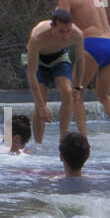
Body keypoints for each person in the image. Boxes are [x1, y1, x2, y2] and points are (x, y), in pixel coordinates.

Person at [52, 0, 110, 149]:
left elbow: (63, 22)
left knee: (76, 94)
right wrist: (108, 12)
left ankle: (84, 140)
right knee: (104, 95)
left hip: (92, 45)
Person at [24, 8, 85, 145]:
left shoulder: (77, 35)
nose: (65, 36)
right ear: (53, 27)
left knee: (67, 92)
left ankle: (63, 141)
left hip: (58, 56)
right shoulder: (37, 37)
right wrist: (41, 106)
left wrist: (78, 87)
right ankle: (38, 144)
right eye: (61, 31)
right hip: (38, 59)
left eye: (68, 31)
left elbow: (80, 60)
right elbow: (31, 74)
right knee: (41, 99)